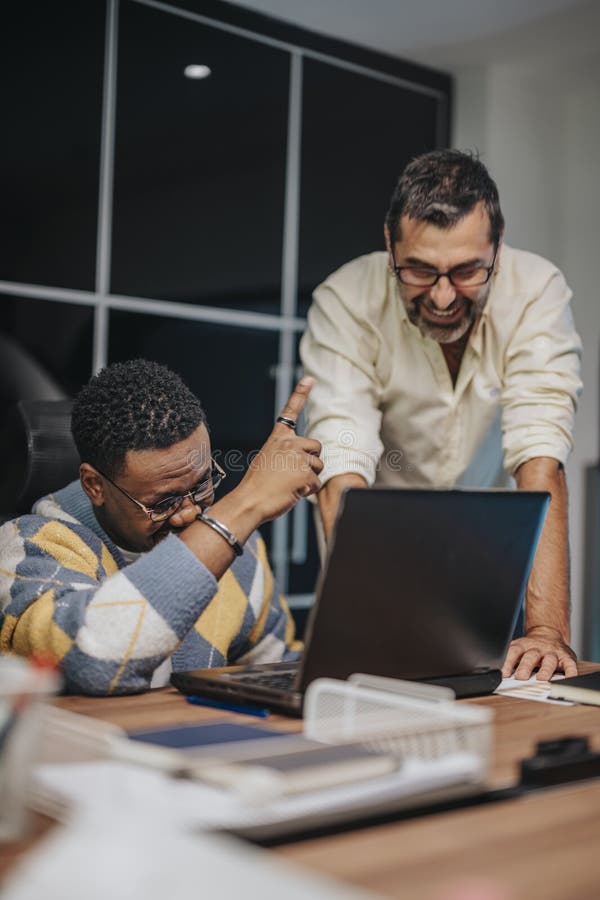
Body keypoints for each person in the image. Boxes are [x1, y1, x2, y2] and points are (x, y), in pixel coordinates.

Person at [300, 149, 582, 682]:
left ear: (497, 246)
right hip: (374, 561)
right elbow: (341, 467)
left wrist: (546, 631)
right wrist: (377, 620)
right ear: (390, 244)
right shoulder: (346, 300)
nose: (444, 296)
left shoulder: (536, 292)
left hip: (493, 566)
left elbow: (539, 459)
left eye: (468, 271)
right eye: (421, 271)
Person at [0, 359, 322, 695]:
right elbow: (93, 660)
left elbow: (275, 672)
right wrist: (243, 506)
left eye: (202, 485)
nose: (188, 514)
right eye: (162, 502)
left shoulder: (238, 548)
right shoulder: (28, 549)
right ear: (95, 485)